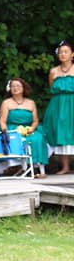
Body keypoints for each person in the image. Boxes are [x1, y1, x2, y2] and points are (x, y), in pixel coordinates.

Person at [0, 77, 49, 178]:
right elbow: (2, 121)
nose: (15, 88)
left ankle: (38, 167)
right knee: (18, 139)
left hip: (29, 128)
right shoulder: (6, 103)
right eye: (13, 86)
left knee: (38, 138)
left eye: (18, 86)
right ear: (10, 89)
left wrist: (32, 129)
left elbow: (35, 120)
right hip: (12, 128)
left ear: (23, 88)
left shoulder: (31, 103)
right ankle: (22, 168)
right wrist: (6, 131)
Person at [40, 41, 74, 175]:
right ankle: (65, 167)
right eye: (61, 52)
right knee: (60, 132)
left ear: (72, 54)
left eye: (66, 52)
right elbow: (52, 88)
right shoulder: (53, 71)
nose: (63, 54)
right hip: (58, 104)